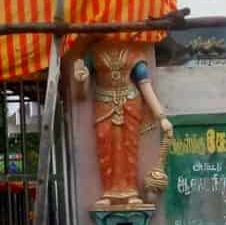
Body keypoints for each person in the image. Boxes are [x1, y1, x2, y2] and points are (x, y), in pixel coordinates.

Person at [73, 38, 173, 208]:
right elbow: (81, 94)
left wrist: (161, 116)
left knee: (129, 148)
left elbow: (145, 85)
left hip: (130, 102)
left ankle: (131, 192)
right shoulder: (93, 52)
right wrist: (81, 80)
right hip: (103, 103)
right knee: (105, 147)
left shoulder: (133, 51)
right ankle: (108, 193)